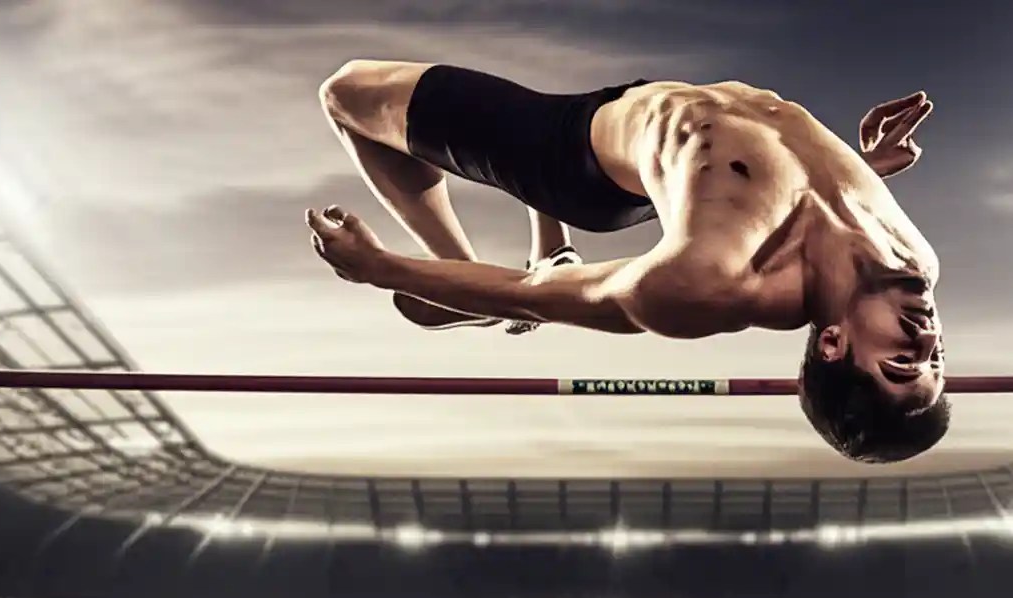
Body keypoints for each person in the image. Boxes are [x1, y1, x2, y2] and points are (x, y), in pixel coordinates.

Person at [309, 62, 949, 462]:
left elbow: (527, 293)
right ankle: (541, 242)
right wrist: (864, 166)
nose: (927, 338)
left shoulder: (712, 284)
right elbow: (786, 198)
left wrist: (381, 267)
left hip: (579, 156)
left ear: (833, 343)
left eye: (901, 361)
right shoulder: (914, 256)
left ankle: (451, 278)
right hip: (669, 131)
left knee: (347, 93)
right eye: (937, 359)